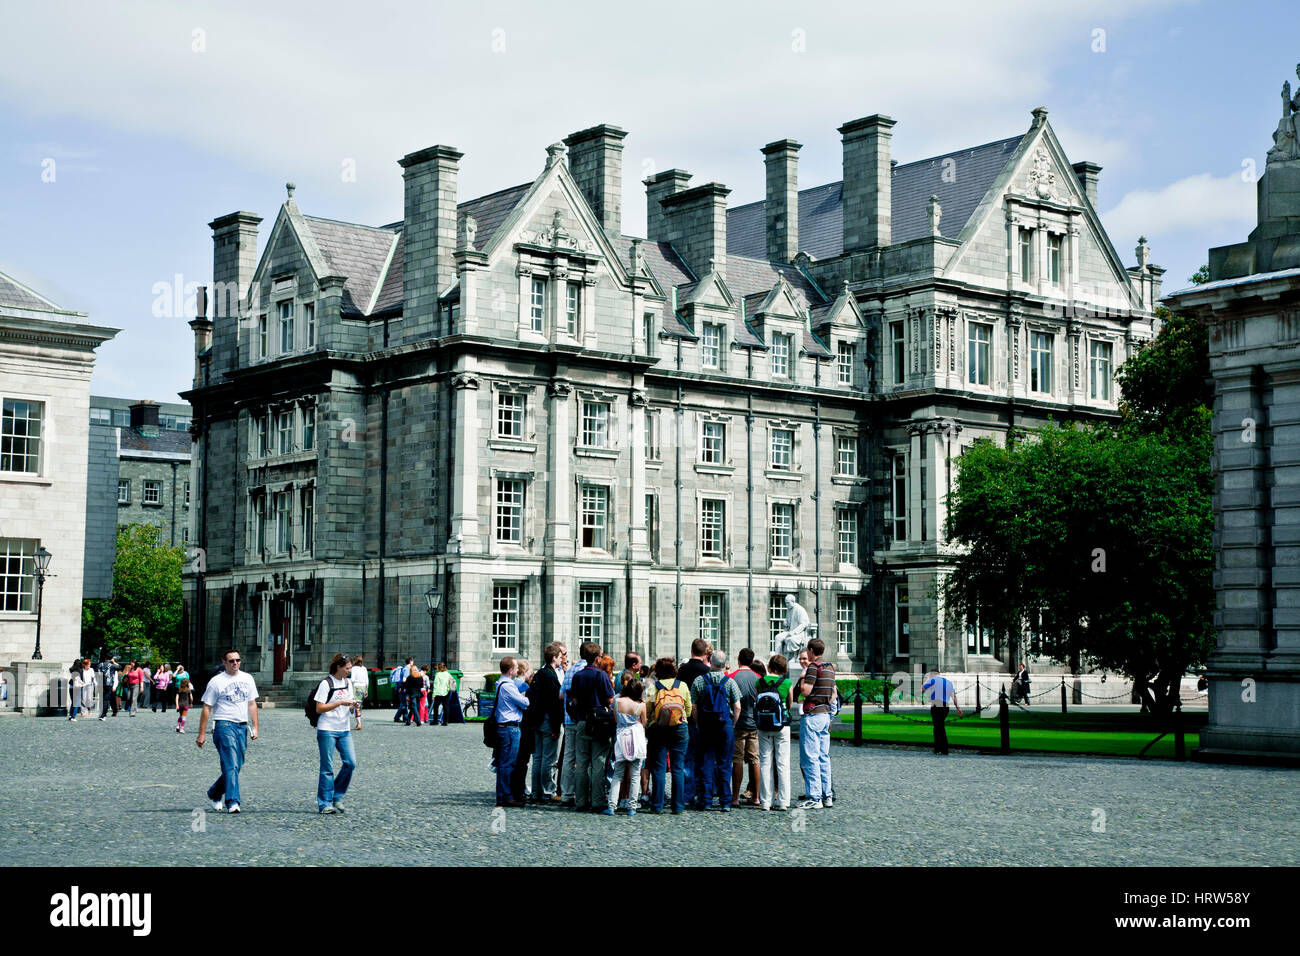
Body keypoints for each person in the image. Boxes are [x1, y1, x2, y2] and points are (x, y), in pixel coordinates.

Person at [197, 649, 259, 813]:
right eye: (231, 661)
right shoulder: (216, 681)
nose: (235, 663)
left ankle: (215, 792)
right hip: (224, 724)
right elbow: (207, 707)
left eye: (238, 660)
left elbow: (251, 703)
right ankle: (233, 801)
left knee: (237, 765)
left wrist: (255, 726)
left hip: (242, 725)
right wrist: (202, 733)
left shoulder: (248, 678)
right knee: (230, 763)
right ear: (224, 662)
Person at [690, 650, 741, 811]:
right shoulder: (730, 681)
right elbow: (738, 706)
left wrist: (698, 723)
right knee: (725, 764)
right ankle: (725, 801)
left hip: (705, 726)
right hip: (724, 725)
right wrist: (732, 724)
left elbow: (693, 706)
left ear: (710, 662)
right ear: (724, 664)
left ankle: (705, 800)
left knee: (706, 763)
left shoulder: (699, 681)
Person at [569, 642, 615, 812]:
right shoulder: (601, 675)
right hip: (599, 722)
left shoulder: (578, 675)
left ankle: (580, 801)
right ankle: (597, 801)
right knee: (598, 762)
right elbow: (610, 700)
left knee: (581, 763)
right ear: (597, 658)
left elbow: (574, 700)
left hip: (582, 720)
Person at [645, 657, 691, 814]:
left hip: (659, 728)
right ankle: (678, 806)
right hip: (680, 727)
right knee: (678, 767)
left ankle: (657, 805)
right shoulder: (682, 686)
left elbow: (648, 709)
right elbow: (689, 708)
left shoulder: (653, 688)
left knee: (659, 767)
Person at [314, 653, 358, 814]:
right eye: (347, 668)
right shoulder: (326, 684)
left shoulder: (348, 683)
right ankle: (325, 803)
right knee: (327, 767)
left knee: (350, 762)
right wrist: (340, 702)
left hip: (344, 729)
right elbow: (319, 708)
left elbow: (349, 705)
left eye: (350, 668)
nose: (349, 671)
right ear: (338, 667)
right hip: (327, 729)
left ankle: (336, 794)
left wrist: (354, 705)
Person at [796, 638, 836, 809]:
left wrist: (802, 678)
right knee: (823, 757)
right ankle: (827, 795)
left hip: (813, 715)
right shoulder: (830, 668)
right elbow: (834, 694)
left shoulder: (813, 667)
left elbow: (805, 691)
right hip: (825, 714)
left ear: (811, 650)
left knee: (810, 758)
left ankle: (814, 797)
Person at [676, 638, 712, 808]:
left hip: (684, 718)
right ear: (706, 653)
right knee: (703, 758)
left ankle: (686, 794)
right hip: (704, 720)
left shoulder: (682, 670)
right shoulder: (707, 671)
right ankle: (701, 793)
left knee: (686, 758)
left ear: (691, 650)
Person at [756, 654, 794, 811]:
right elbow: (790, 703)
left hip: (763, 724)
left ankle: (766, 801)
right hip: (781, 724)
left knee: (765, 763)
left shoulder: (760, 681)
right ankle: (783, 801)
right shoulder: (787, 682)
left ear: (770, 665)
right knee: (782, 763)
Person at [527, 643, 564, 803]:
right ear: (554, 658)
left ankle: (536, 792)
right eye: (560, 656)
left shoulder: (539, 674)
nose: (562, 659)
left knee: (538, 758)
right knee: (548, 759)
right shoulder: (551, 676)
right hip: (548, 721)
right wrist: (556, 727)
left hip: (537, 720)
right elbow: (554, 704)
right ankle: (548, 791)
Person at [605, 678, 647, 815]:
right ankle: (632, 806)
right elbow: (644, 723)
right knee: (635, 775)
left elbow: (617, 720)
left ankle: (612, 806)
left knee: (617, 774)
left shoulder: (618, 702)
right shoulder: (641, 705)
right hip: (637, 736)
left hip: (622, 736)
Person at [493, 657, 529, 808]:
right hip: (510, 727)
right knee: (508, 763)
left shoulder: (500, 683)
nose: (517, 670)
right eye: (515, 667)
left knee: (504, 762)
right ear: (510, 670)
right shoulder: (508, 685)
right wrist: (524, 696)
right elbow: (525, 703)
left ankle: (503, 795)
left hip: (505, 726)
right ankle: (506, 796)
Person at [729, 648, 762, 807]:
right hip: (753, 723)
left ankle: (735, 797)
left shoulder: (732, 677)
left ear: (739, 659)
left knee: (737, 759)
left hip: (738, 723)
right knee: (755, 760)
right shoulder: (758, 678)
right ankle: (756, 797)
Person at [559, 642, 584, 806]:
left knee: (568, 757)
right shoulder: (588, 671)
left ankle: (566, 793)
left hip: (569, 719)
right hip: (583, 719)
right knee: (582, 758)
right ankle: (581, 793)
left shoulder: (570, 671)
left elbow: (561, 696)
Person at [922, 669, 963, 755]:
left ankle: (941, 749)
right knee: (939, 726)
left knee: (938, 727)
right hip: (946, 706)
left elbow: (922, 689)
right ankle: (941, 748)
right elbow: (954, 697)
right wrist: (958, 708)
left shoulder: (932, 680)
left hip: (936, 705)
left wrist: (926, 680)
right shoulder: (948, 682)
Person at [349, 655, 367, 730]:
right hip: (363, 687)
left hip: (356, 686)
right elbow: (367, 680)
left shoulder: (353, 668)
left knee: (356, 706)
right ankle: (358, 723)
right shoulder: (364, 668)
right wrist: (367, 690)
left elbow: (352, 679)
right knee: (358, 705)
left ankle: (359, 723)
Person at [391, 658, 411, 723]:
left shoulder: (403, 668)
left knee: (404, 704)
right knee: (404, 704)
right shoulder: (407, 669)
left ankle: (405, 718)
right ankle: (397, 717)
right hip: (403, 688)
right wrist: (402, 688)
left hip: (399, 687)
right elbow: (404, 680)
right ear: (411, 661)